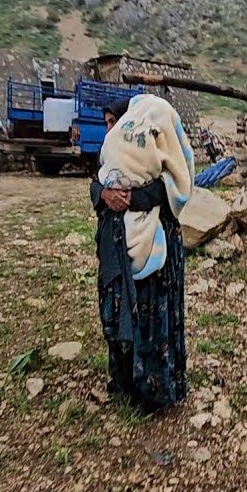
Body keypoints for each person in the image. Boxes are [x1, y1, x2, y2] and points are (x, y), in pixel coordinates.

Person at [90, 94, 195, 410]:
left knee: (152, 312)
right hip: (116, 246)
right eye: (108, 123)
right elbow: (96, 183)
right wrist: (105, 194)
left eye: (115, 122)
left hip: (156, 243)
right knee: (116, 309)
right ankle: (124, 382)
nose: (111, 130)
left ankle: (155, 390)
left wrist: (128, 199)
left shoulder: (158, 147)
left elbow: (173, 187)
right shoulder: (114, 150)